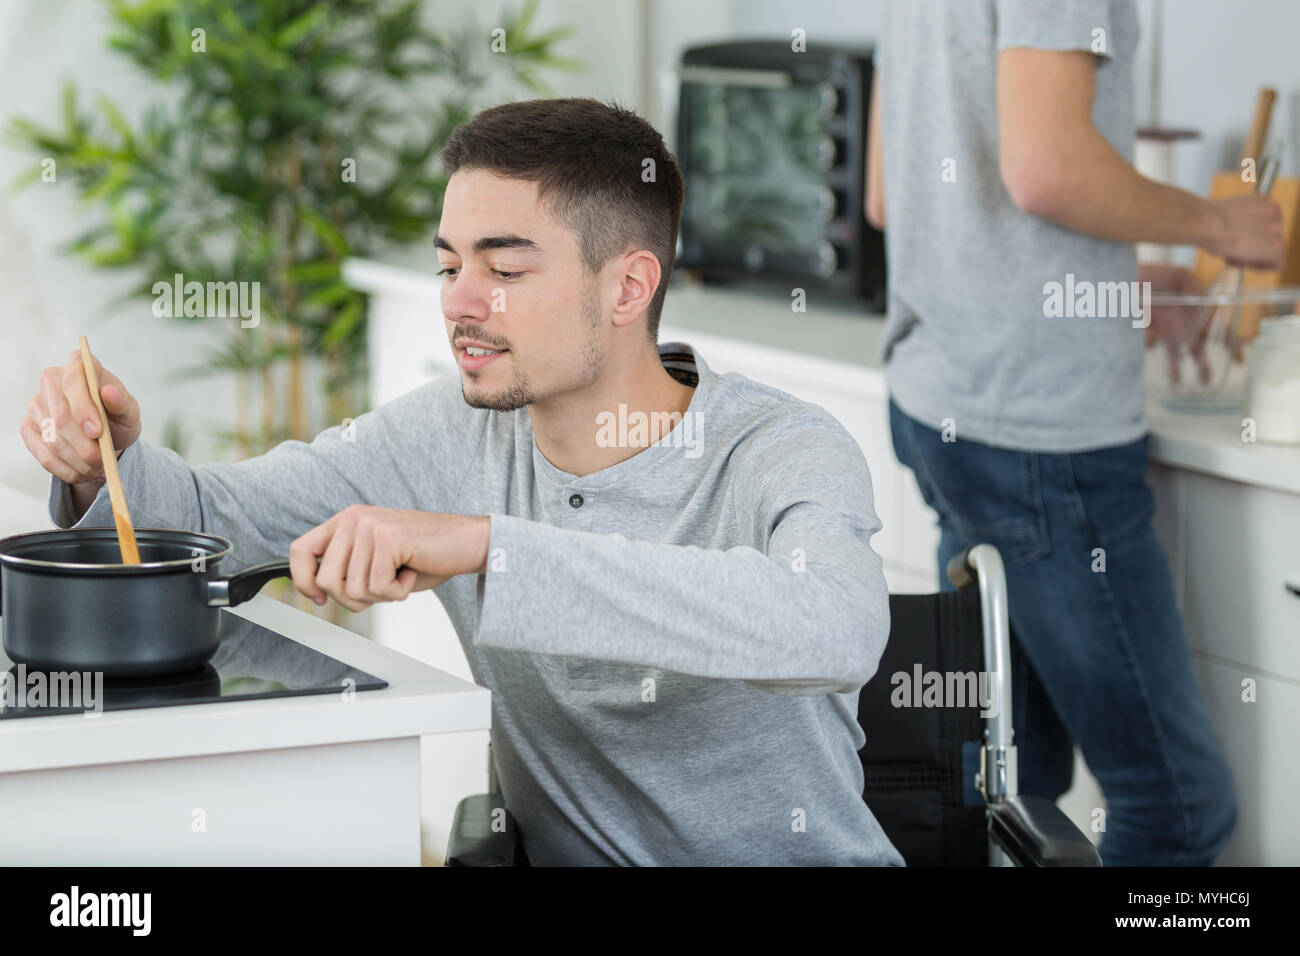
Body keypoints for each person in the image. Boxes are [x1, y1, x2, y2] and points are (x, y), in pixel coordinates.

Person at [21, 98, 904, 867]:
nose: (458, 302)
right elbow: (219, 520)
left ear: (631, 285)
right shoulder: (448, 432)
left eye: (506, 270)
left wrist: (490, 550)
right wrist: (112, 465)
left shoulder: (778, 446)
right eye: (449, 267)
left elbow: (836, 625)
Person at [867, 0, 1285, 866]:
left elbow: (886, 193)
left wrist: (1108, 284)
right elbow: (1048, 168)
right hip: (1041, 431)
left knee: (1006, 784)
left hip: (944, 401)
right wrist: (1220, 224)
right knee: (1176, 808)